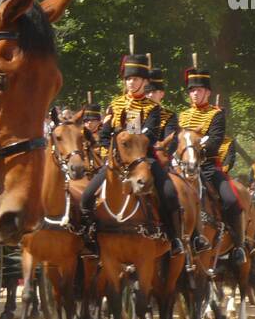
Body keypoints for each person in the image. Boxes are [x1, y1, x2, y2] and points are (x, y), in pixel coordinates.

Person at [79, 51, 186, 258]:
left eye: (135, 78)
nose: (130, 82)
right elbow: (104, 135)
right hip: (117, 162)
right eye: (128, 78)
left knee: (170, 194)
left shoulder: (152, 108)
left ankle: (174, 238)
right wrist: (109, 148)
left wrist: (128, 139)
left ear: (144, 81)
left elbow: (151, 134)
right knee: (85, 197)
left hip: (143, 160)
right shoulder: (115, 105)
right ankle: (90, 239)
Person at [178, 63, 245, 264]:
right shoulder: (181, 116)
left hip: (207, 167)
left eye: (198, 90)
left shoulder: (216, 114)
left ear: (207, 92)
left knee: (231, 201)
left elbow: (215, 142)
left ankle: (238, 245)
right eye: (191, 90)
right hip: (181, 168)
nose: (195, 94)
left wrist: (196, 152)